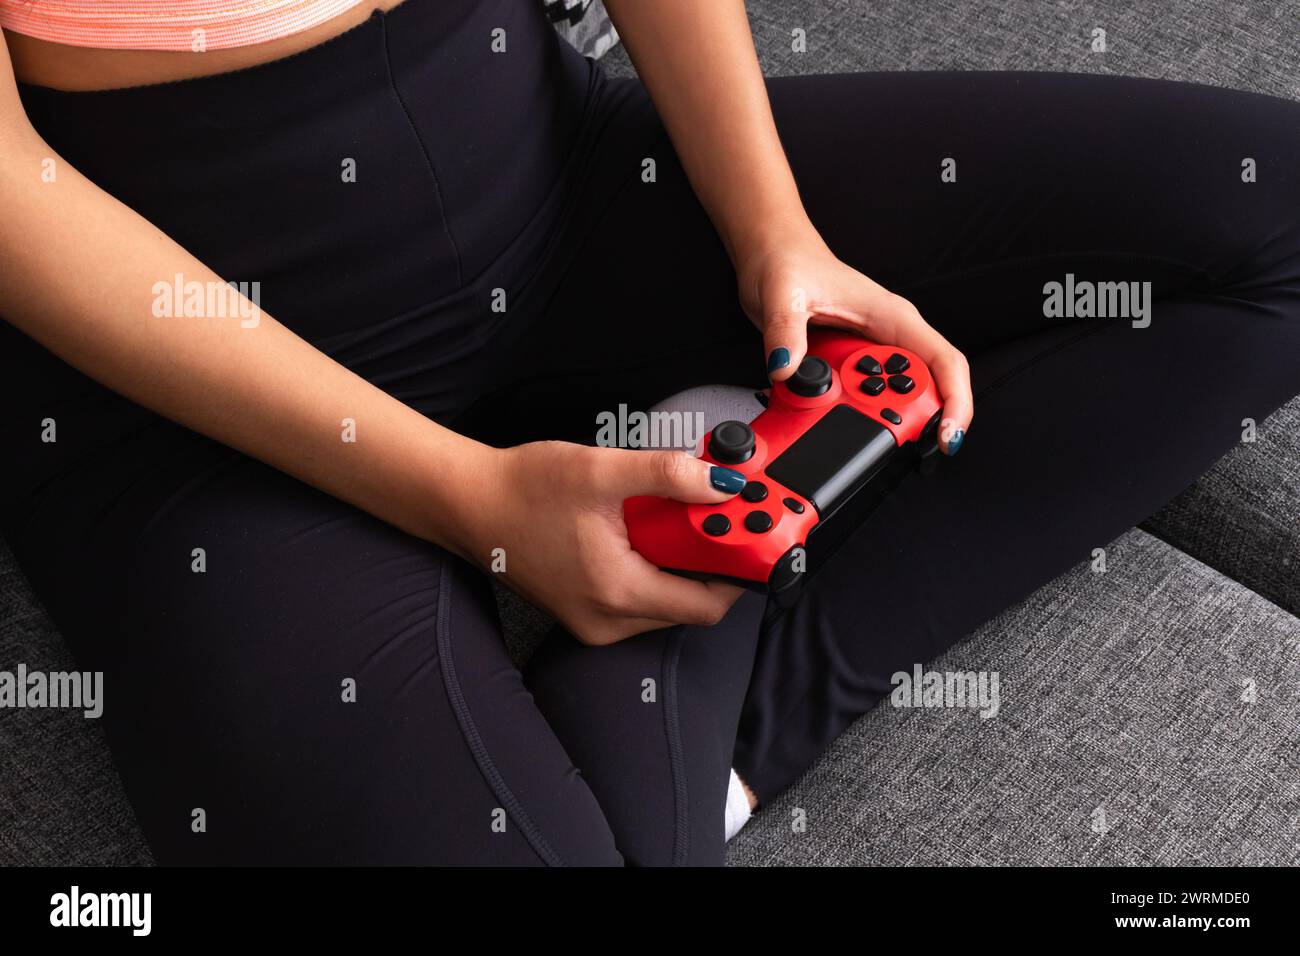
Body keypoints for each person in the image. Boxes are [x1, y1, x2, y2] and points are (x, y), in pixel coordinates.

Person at [0, 0, 1296, 865]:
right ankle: (715, 589)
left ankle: (742, 704)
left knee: (1275, 223)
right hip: (196, 394)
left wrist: (773, 230)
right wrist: (475, 504)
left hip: (551, 184)